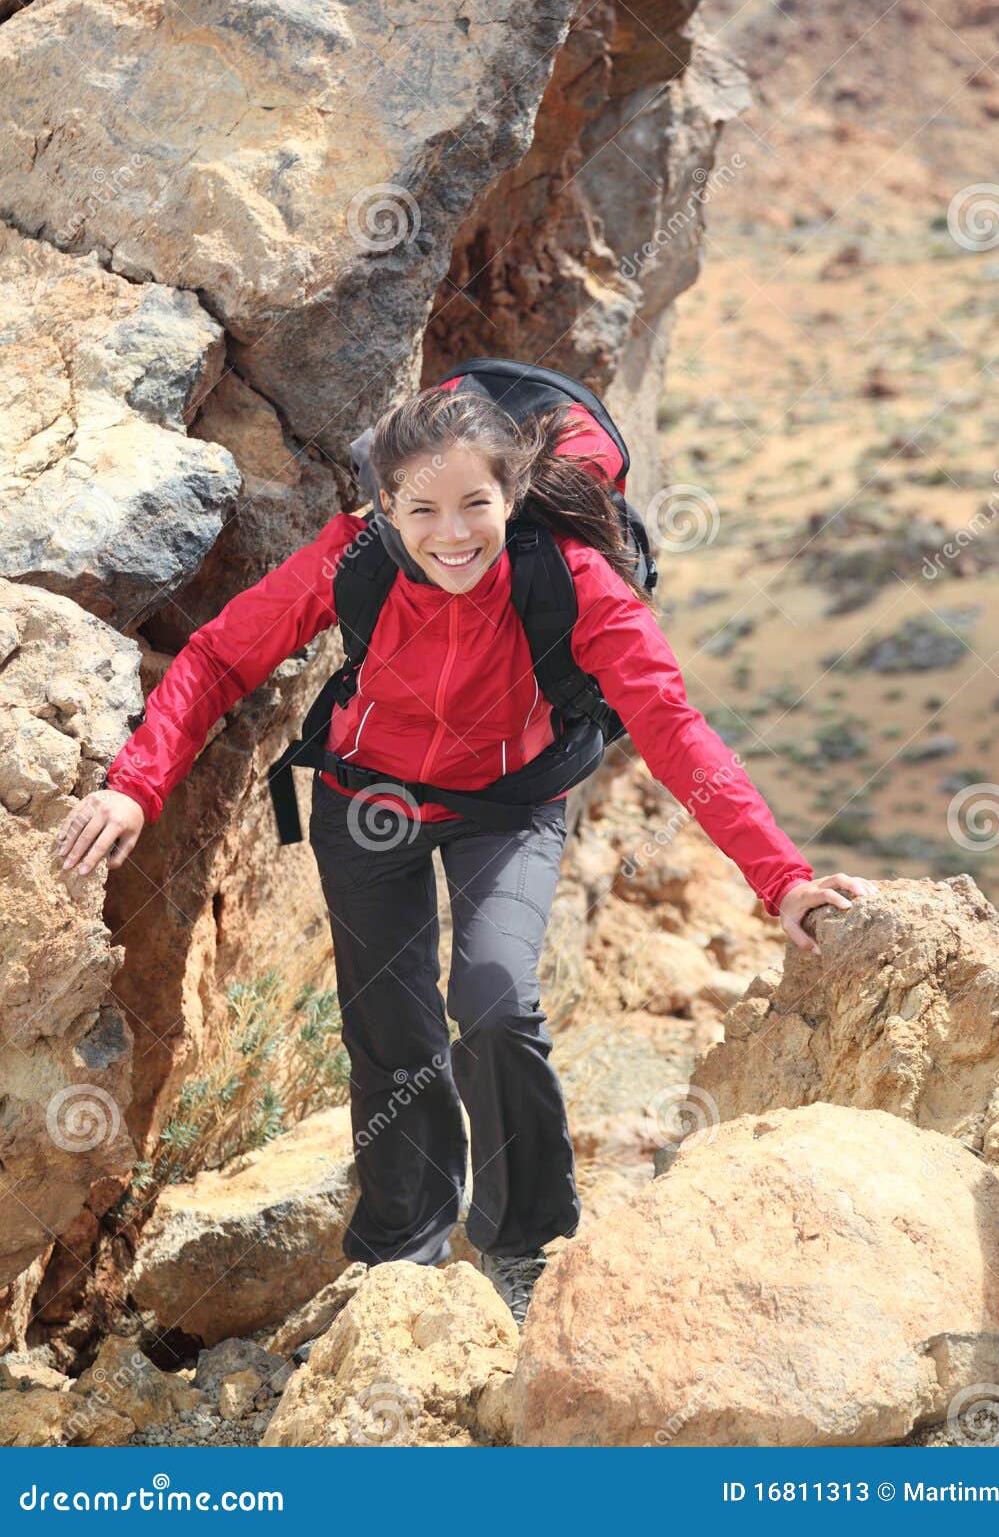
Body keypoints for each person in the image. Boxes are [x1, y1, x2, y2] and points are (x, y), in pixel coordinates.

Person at [55, 382, 879, 1330]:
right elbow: (217, 658)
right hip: (369, 803)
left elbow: (676, 731)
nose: (452, 534)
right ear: (385, 505)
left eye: (475, 506)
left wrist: (782, 878)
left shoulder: (569, 577)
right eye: (423, 510)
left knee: (492, 1000)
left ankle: (525, 1245)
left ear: (511, 496)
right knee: (391, 1034)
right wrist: (136, 782)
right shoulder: (352, 557)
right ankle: (399, 1259)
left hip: (511, 806)